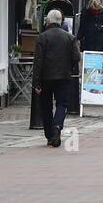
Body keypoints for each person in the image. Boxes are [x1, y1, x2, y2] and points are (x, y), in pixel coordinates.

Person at [33, 9, 80, 147]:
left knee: (46, 106)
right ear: (61, 21)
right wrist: (69, 68)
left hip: (45, 77)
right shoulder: (70, 37)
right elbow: (76, 57)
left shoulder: (42, 37)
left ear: (48, 21)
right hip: (63, 77)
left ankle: (49, 135)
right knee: (62, 104)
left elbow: (38, 61)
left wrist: (36, 83)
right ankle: (58, 126)